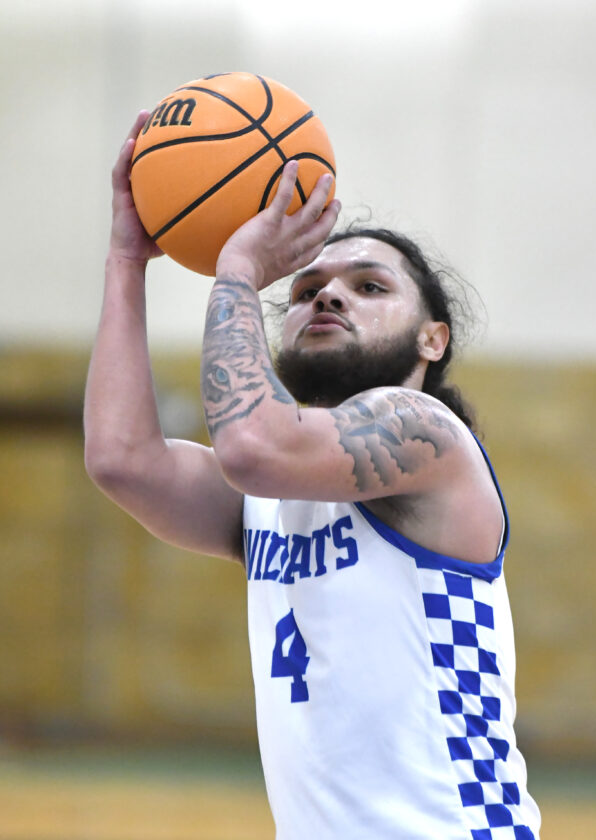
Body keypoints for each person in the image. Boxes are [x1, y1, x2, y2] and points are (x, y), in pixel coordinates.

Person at [84, 111, 541, 840]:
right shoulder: (271, 488)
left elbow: (252, 446)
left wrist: (236, 269)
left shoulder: (424, 434)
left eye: (368, 286)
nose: (327, 296)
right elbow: (122, 460)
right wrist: (124, 257)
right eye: (304, 291)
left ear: (432, 338)